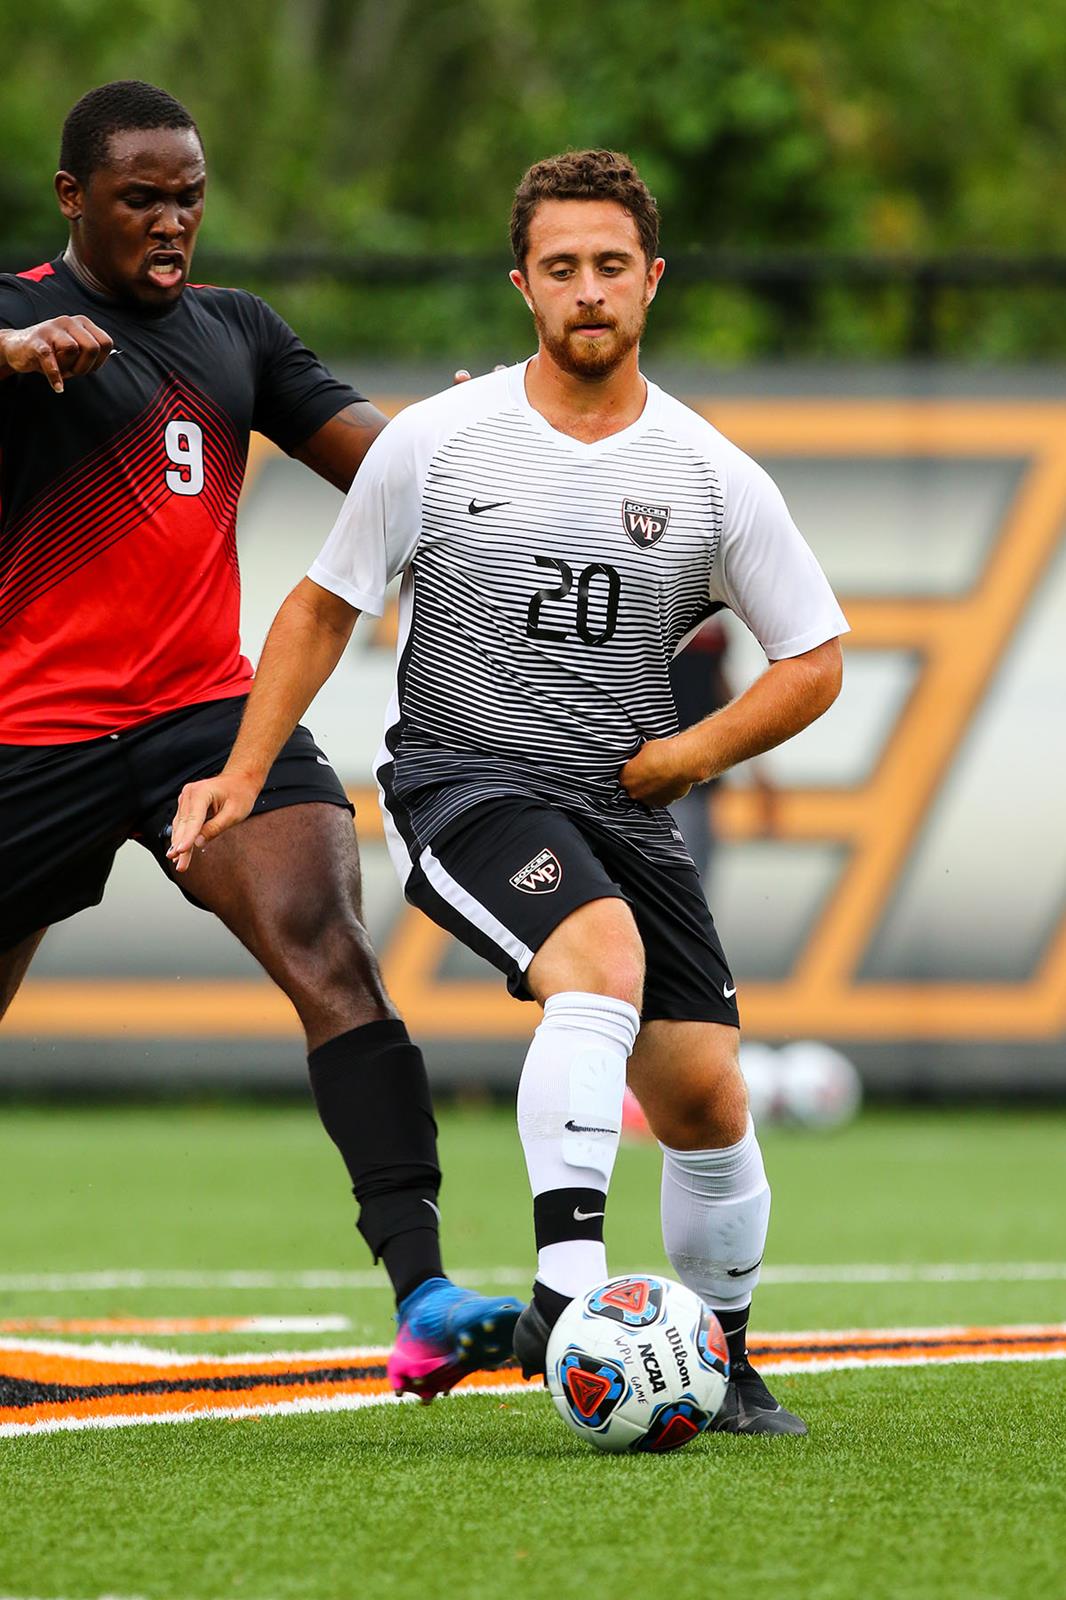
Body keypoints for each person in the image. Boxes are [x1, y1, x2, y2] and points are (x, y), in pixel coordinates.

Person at [170, 148, 848, 1435]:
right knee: (597, 960)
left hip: (624, 803)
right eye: (560, 267)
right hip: (463, 783)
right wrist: (243, 771)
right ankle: (565, 1296)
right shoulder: (435, 440)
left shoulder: (711, 473)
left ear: (651, 281)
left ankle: (727, 1360)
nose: (587, 289)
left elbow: (813, 659)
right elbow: (321, 606)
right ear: (521, 286)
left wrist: (689, 758)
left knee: (707, 1098)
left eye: (610, 266)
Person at [0, 79, 521, 1400]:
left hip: (204, 718)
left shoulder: (235, 331)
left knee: (330, 952)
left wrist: (471, 444)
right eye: (140, 198)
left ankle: (426, 1296)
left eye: (188, 197)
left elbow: (380, 463)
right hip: (29, 731)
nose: (171, 221)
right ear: (71, 197)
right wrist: (7, 355)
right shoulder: (17, 315)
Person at [669, 616, 777, 885]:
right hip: (654, 771)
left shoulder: (711, 615)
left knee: (696, 879)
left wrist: (757, 767)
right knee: (677, 882)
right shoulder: (639, 606)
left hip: (699, 773)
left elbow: (718, 685)